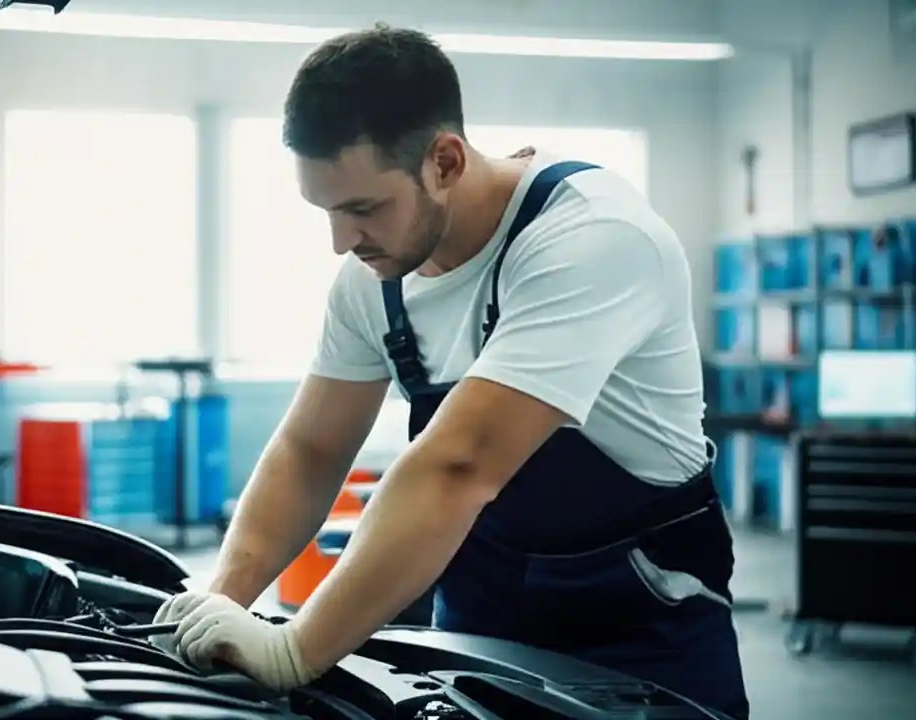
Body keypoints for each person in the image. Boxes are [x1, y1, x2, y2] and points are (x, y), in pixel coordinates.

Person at [153, 23, 749, 719]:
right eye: (326, 211)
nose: (342, 242)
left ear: (444, 161)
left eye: (362, 208)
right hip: (480, 628)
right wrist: (221, 598)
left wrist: (295, 650)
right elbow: (310, 451)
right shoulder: (371, 279)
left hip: (644, 638)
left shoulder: (593, 240)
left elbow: (459, 465)